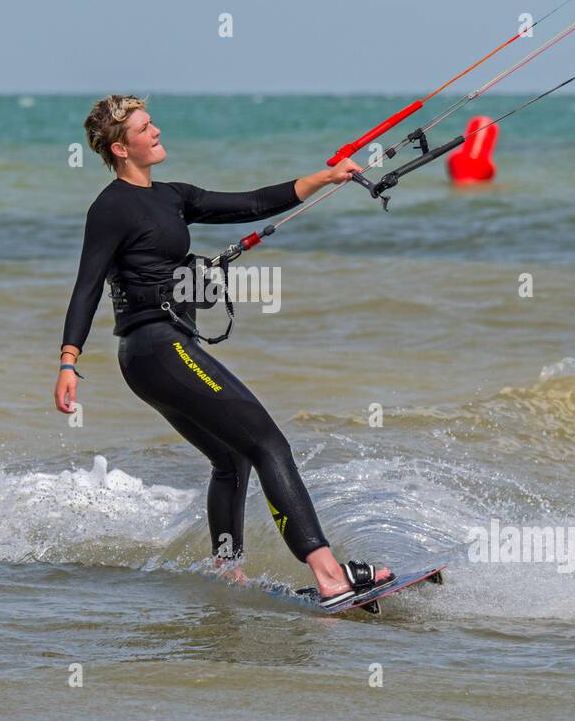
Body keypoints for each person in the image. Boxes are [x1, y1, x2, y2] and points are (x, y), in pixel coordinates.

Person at [55, 95, 393, 607]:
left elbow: (253, 203)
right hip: (154, 349)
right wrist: (68, 360)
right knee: (269, 445)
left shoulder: (173, 196)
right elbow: (87, 286)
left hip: (161, 354)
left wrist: (325, 179)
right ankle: (328, 574)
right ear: (121, 148)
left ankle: (227, 573)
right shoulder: (110, 207)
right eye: (146, 128)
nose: (157, 131)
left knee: (232, 459)